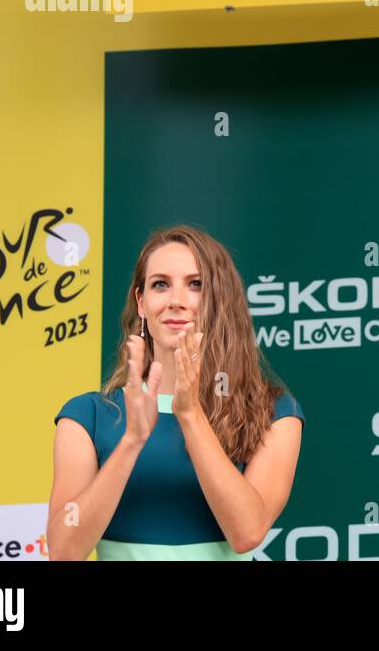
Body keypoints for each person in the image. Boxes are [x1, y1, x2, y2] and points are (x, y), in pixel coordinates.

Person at [47, 225, 303, 560]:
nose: (176, 301)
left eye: (195, 285)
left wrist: (189, 412)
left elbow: (247, 532)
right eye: (160, 285)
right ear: (141, 302)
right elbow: (64, 550)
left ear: (219, 299)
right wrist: (131, 441)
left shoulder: (274, 412)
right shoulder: (88, 416)